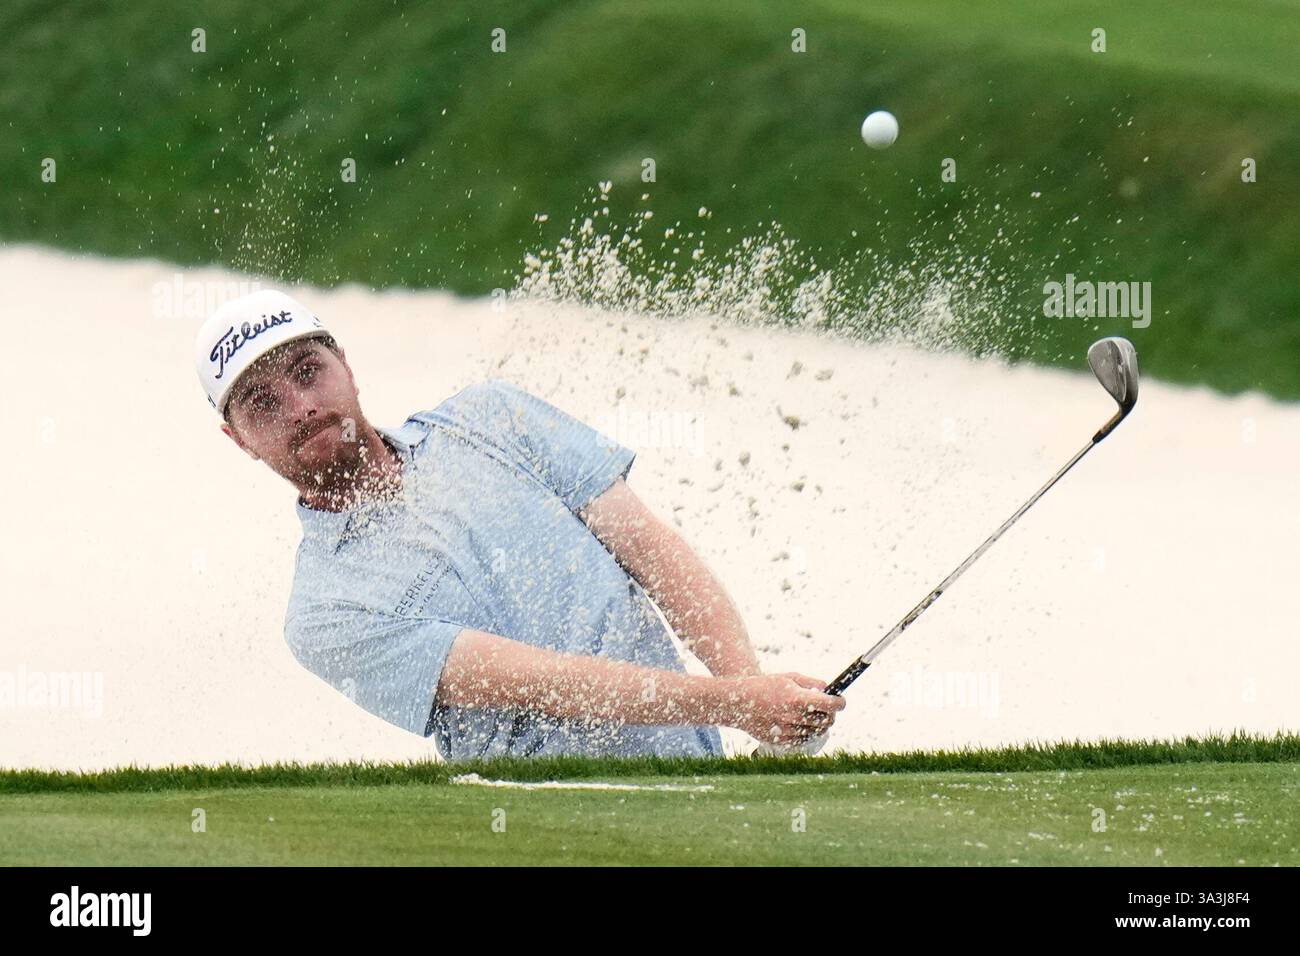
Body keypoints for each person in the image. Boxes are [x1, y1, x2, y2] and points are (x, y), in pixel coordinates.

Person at [194, 289, 844, 759]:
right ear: (238, 439)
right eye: (263, 402)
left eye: (308, 372)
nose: (302, 407)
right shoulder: (323, 613)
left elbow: (652, 551)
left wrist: (756, 694)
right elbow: (542, 683)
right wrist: (736, 703)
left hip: (697, 783)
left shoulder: (493, 417)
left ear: (347, 367)